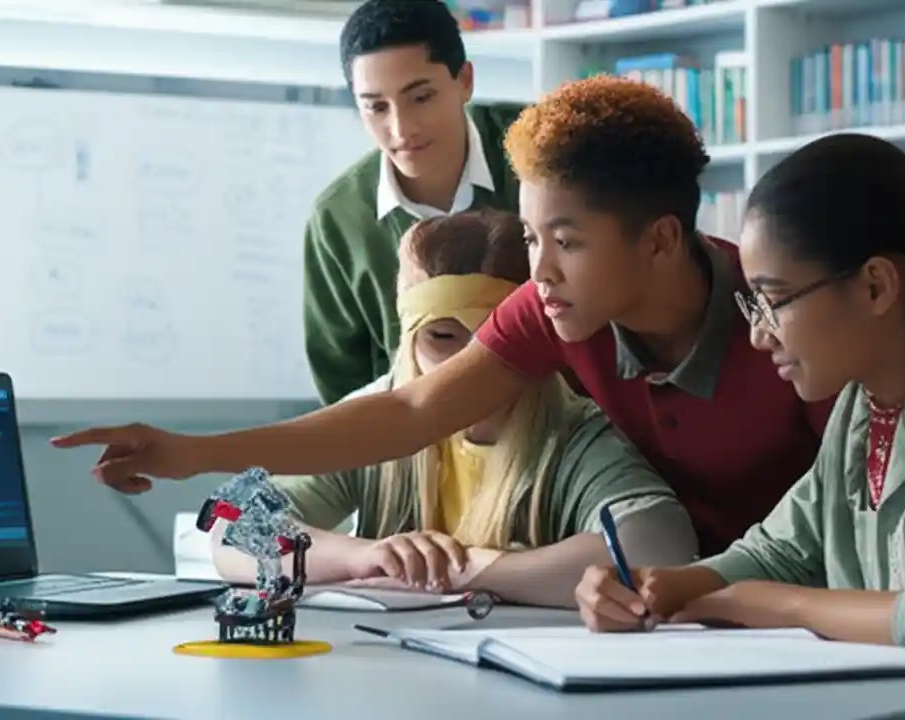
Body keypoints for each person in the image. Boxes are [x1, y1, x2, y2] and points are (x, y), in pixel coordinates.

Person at [52, 76, 832, 559]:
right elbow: (409, 411)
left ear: (661, 239)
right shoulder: (555, 306)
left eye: (567, 241)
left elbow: (851, 510)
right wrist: (189, 453)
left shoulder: (786, 323)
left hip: (787, 600)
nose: (541, 270)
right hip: (673, 612)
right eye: (530, 238)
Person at [572, 133, 905, 668]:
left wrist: (791, 607)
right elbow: (780, 551)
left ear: (876, 287)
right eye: (753, 304)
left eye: (777, 300)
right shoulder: (860, 410)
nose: (760, 336)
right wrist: (663, 587)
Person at [213, 209, 698, 606]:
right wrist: (366, 557)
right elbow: (230, 528)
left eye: (499, 342)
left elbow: (662, 552)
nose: (470, 365)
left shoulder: (573, 437)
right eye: (443, 336)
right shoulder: (375, 423)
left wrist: (467, 568)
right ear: (407, 335)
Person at [305, 0, 525, 404]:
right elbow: (343, 389)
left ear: (465, 81)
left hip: (557, 427)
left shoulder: (538, 154)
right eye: (376, 107)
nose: (401, 128)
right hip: (415, 447)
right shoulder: (337, 220)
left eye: (420, 97)